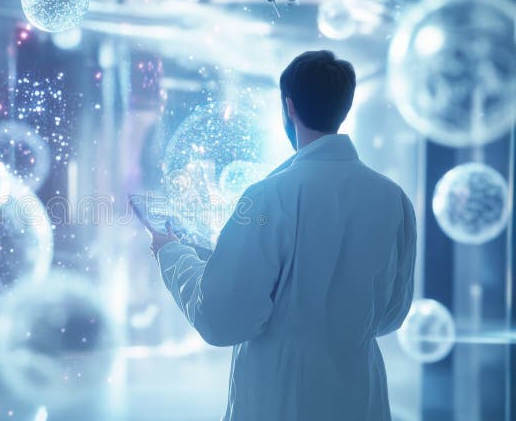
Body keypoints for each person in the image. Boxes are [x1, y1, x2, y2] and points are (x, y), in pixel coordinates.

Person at [148, 50, 416, 421]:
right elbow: (390, 315)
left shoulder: (268, 196)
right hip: (361, 400)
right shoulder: (393, 199)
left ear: (289, 106)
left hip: (278, 400)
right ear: (344, 105)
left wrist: (172, 253)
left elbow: (220, 317)